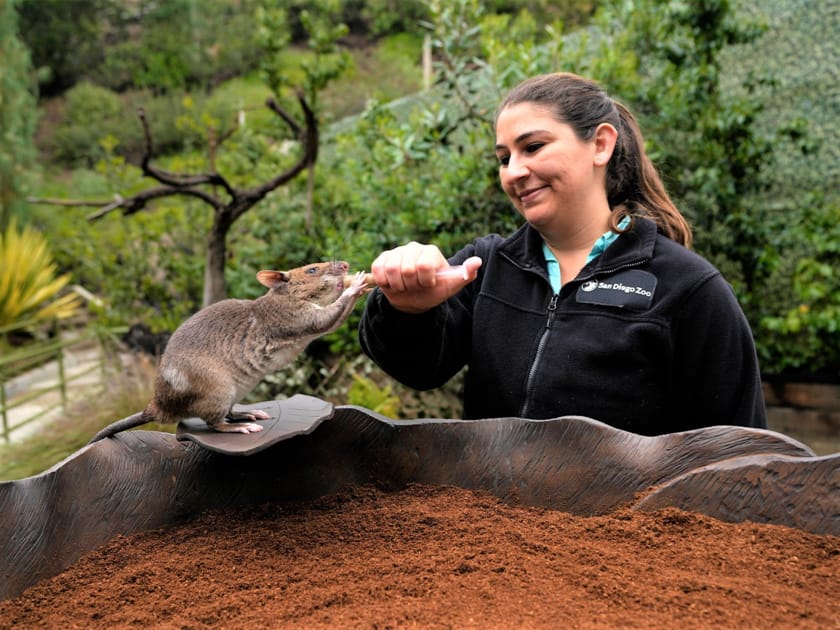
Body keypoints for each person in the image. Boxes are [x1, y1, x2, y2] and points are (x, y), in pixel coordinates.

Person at [358, 72, 766, 435]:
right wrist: (406, 309)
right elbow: (418, 367)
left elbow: (736, 454)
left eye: (532, 147)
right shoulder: (486, 267)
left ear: (601, 145)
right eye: (504, 158)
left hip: (622, 522)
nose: (513, 171)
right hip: (489, 516)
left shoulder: (688, 289)